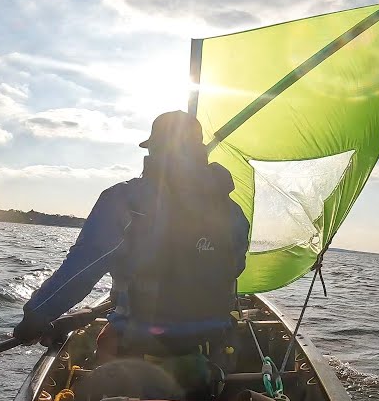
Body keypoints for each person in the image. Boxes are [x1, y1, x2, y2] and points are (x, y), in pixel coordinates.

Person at [13, 111, 250, 362]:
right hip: (213, 346)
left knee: (106, 344)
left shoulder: (125, 200)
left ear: (154, 148)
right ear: (199, 150)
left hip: (138, 349)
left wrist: (36, 317)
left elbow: (81, 270)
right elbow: (234, 267)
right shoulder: (233, 213)